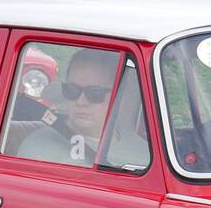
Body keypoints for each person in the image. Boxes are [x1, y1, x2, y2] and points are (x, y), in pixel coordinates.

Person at [17, 48, 148, 167]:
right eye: (72, 90)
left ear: (119, 97)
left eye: (95, 93)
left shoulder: (144, 153)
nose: (81, 101)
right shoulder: (38, 148)